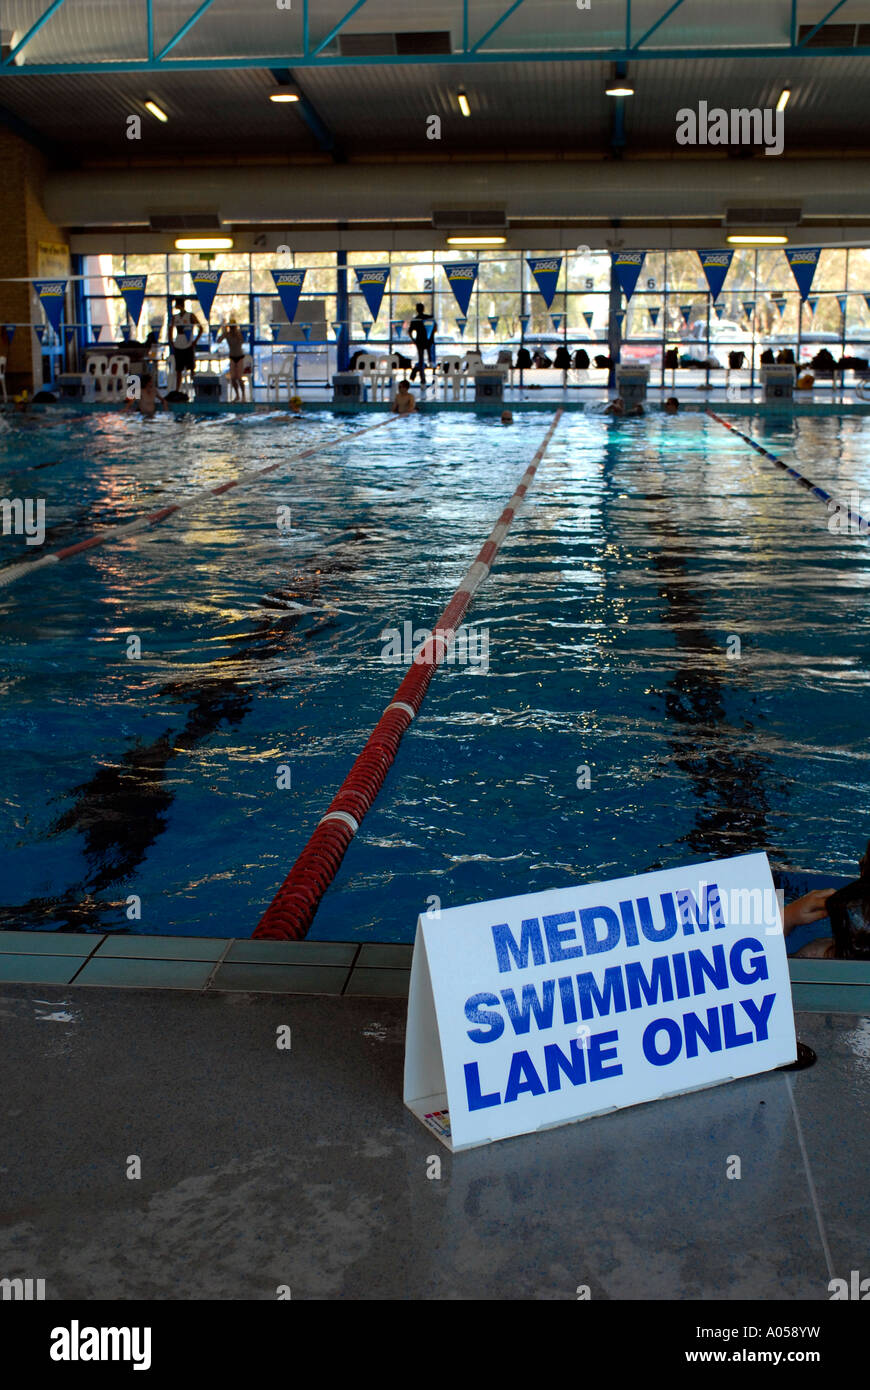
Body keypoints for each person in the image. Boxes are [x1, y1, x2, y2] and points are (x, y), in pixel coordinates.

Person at [170, 297, 204, 396]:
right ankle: (177, 390)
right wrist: (171, 341)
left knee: (191, 369)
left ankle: (195, 389)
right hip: (178, 346)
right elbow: (171, 329)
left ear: (179, 305)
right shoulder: (175, 317)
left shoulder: (190, 316)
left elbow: (201, 328)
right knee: (179, 370)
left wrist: (195, 341)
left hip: (188, 345)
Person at [216, 318, 246, 401]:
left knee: (239, 377)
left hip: (239, 357)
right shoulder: (227, 334)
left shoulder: (239, 334)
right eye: (231, 327)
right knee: (233, 378)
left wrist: (236, 334)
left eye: (233, 327)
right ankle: (237, 395)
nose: (232, 329)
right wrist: (224, 331)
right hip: (232, 357)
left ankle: (243, 395)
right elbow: (218, 341)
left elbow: (242, 341)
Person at [408, 302, 436, 386]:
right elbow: (435, 327)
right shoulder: (429, 318)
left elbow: (410, 332)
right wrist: (431, 335)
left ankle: (423, 379)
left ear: (417, 310)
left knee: (421, 361)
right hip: (429, 341)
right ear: (423, 309)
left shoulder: (415, 320)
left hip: (420, 341)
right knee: (431, 360)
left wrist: (414, 340)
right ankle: (434, 378)